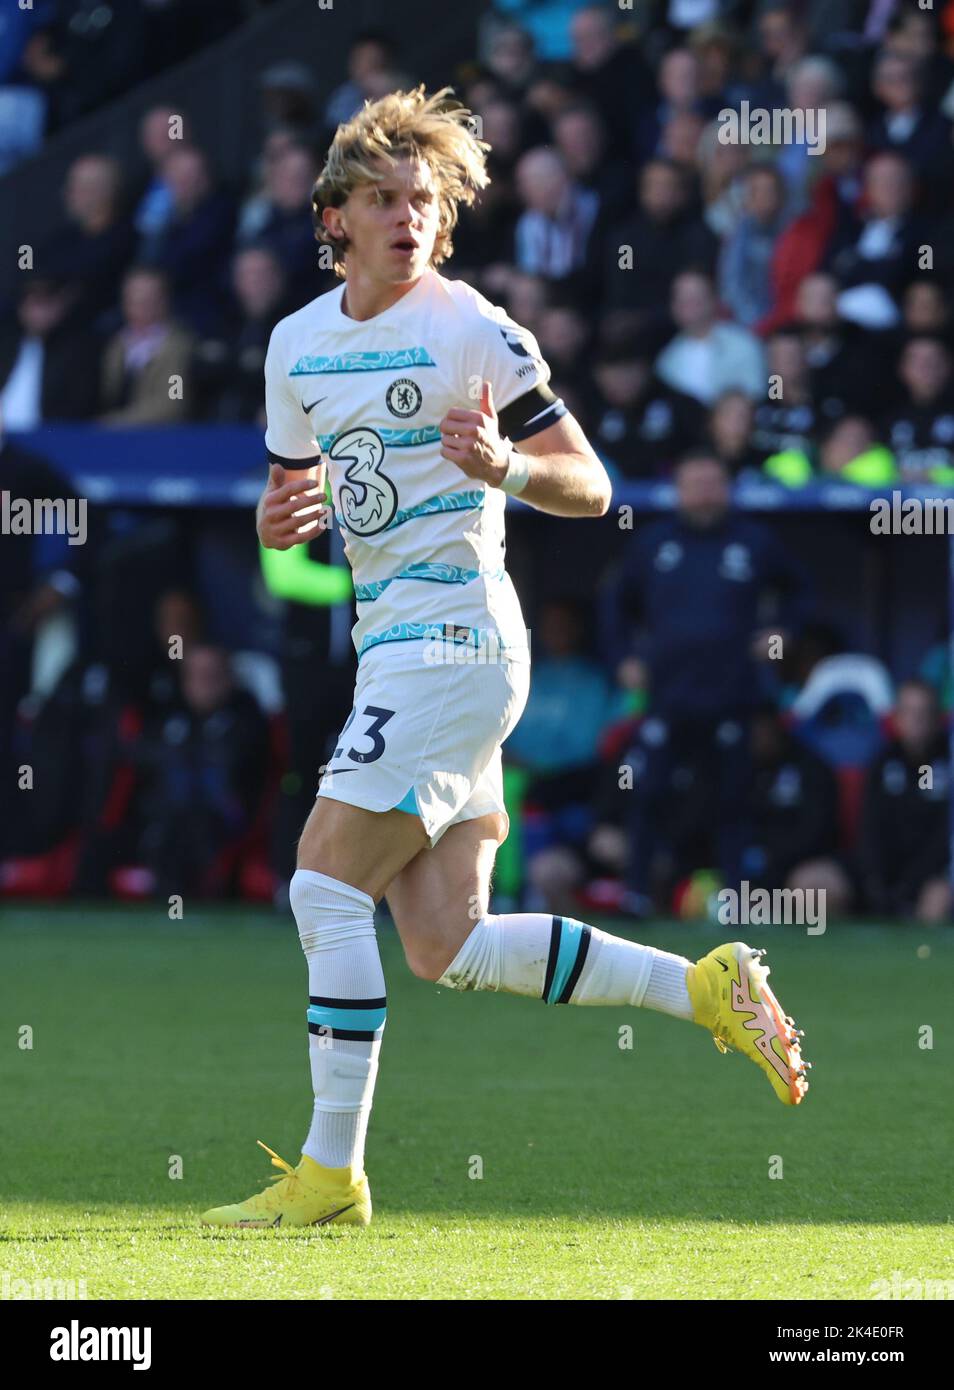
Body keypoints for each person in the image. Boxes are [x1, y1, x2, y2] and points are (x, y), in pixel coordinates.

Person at [201, 87, 809, 1234]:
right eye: (382, 199)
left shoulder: (473, 326)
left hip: (458, 638)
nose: (406, 219)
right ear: (333, 213)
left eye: (423, 201)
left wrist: (505, 468)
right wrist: (277, 523)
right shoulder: (296, 346)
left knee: (325, 884)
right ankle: (701, 988)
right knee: (446, 943)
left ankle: (332, 1176)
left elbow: (593, 482)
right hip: (394, 643)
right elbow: (292, 502)